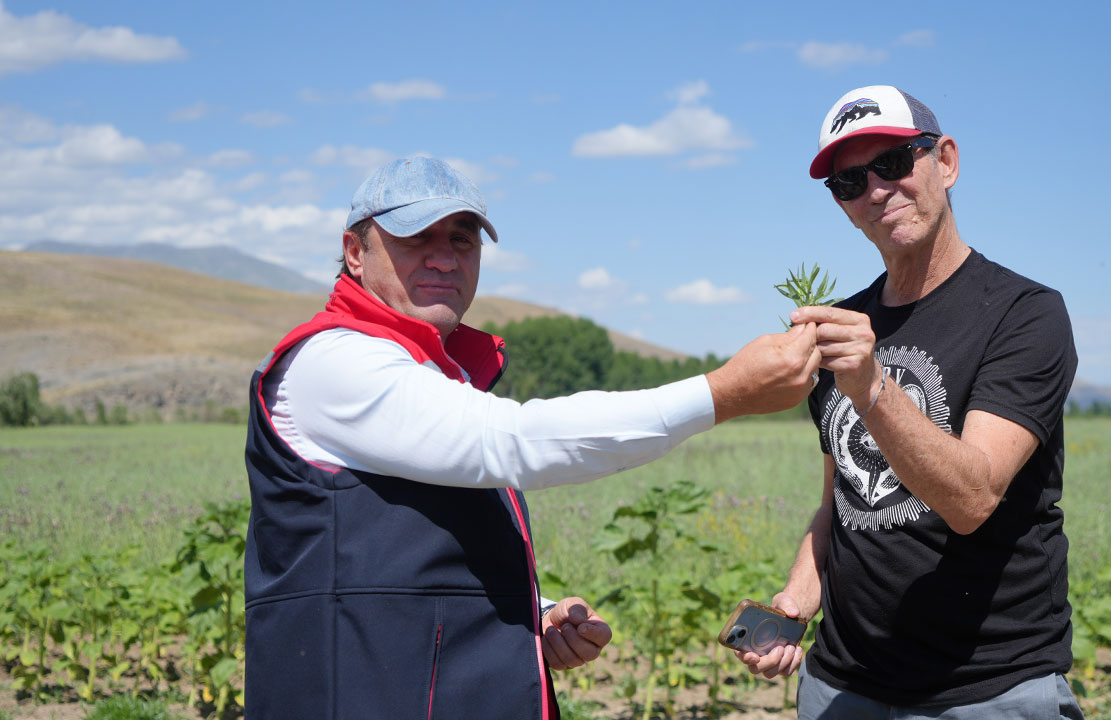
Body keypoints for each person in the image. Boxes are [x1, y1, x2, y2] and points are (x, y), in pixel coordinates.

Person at [243, 156, 821, 719]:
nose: (444, 257)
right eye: (416, 237)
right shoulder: (336, 361)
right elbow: (515, 442)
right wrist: (723, 393)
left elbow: (410, 555)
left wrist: (533, 613)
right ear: (354, 251)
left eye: (462, 239)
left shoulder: (437, 374)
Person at [734, 86, 1084, 719]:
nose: (875, 190)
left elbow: (972, 499)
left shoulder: (1024, 315)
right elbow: (840, 501)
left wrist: (871, 386)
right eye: (849, 182)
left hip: (985, 689)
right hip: (841, 686)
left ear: (945, 162)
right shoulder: (842, 326)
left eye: (893, 163)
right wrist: (797, 595)